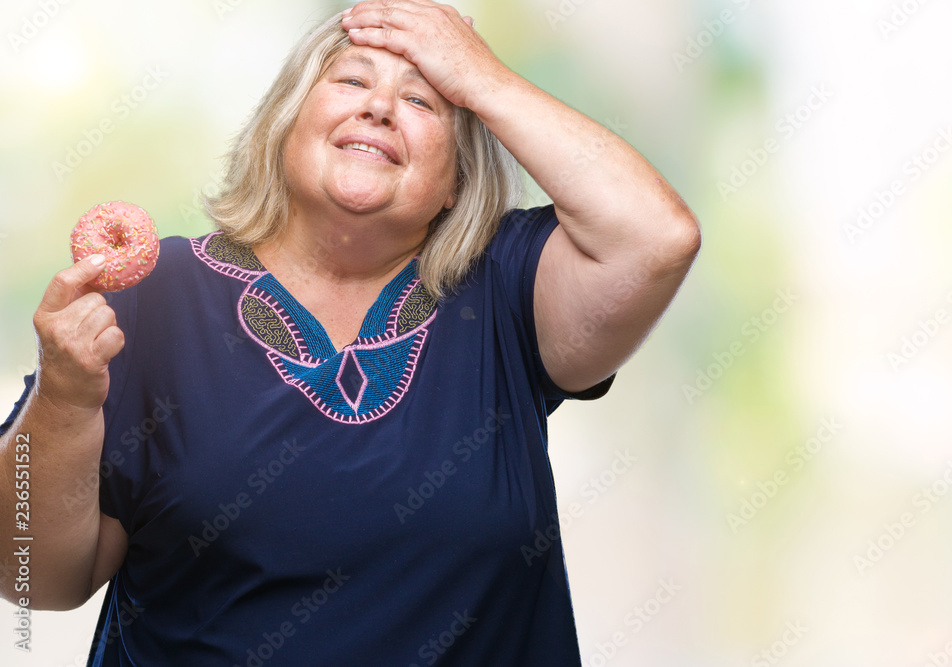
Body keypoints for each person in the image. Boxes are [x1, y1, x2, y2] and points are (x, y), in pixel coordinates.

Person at [0, 1, 701, 664]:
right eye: (351, 80)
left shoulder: (508, 287)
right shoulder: (152, 297)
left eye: (424, 99)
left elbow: (657, 237)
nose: (379, 106)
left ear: (458, 177)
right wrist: (62, 398)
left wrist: (481, 75)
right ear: (286, 122)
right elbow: (31, 578)